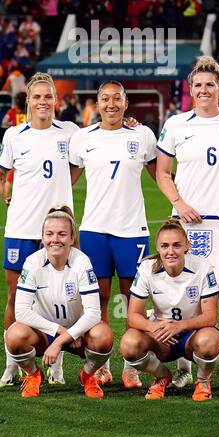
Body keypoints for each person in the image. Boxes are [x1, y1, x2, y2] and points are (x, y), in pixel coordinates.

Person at [154, 55, 219, 387]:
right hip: (188, 224)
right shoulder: (176, 124)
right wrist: (179, 203)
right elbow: (162, 173)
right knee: (186, 295)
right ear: (190, 89)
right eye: (198, 84)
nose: (204, 89)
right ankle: (184, 367)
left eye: (211, 84)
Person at [0, 72, 81, 387]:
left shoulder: (70, 132)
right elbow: (0, 177)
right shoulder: (15, 135)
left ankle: (56, 365)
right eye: (37, 96)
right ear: (27, 101)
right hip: (21, 228)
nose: (43, 101)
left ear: (56, 100)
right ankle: (12, 365)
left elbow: (86, 158)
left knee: (60, 296)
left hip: (59, 231)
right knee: (16, 297)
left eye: (48, 96)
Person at [68, 80, 158, 388]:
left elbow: (161, 173)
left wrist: (181, 200)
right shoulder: (83, 138)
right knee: (100, 299)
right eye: (105, 99)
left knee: (134, 299)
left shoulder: (143, 135)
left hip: (132, 230)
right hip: (94, 229)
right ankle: (102, 364)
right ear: (97, 103)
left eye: (116, 98)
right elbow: (66, 181)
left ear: (125, 102)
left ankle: (132, 365)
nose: (111, 104)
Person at [4, 205, 113, 398]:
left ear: (72, 238)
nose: (55, 239)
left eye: (62, 234)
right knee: (14, 335)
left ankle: (87, 375)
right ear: (43, 237)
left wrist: (65, 337)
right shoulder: (32, 262)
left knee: (103, 335)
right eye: (49, 234)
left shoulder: (82, 262)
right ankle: (34, 375)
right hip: (45, 334)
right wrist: (59, 332)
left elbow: (94, 313)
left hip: (79, 333)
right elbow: (20, 312)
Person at [121, 219, 219, 400]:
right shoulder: (147, 268)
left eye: (176, 245)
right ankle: (161, 376)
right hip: (161, 336)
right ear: (158, 248)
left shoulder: (202, 266)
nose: (170, 251)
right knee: (129, 343)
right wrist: (155, 328)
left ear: (187, 246)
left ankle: (203, 380)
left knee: (211, 340)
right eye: (165, 246)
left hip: (193, 335)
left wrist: (180, 326)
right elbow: (133, 316)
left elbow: (211, 316)